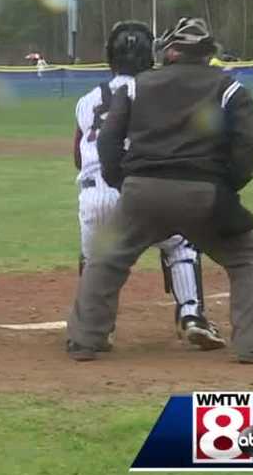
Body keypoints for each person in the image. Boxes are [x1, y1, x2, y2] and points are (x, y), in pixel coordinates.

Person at [66, 17, 253, 364]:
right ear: (207, 53)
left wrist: (122, 182)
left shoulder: (137, 87)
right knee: (248, 260)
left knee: (106, 259)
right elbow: (249, 143)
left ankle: (85, 339)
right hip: (204, 193)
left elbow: (109, 140)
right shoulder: (229, 88)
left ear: (169, 52)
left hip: (142, 191)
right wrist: (228, 184)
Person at [73, 21, 225, 351]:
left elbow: (77, 154)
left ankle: (96, 329)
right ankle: (191, 316)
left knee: (95, 259)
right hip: (139, 189)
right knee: (181, 241)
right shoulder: (158, 91)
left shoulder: (87, 100)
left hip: (93, 193)